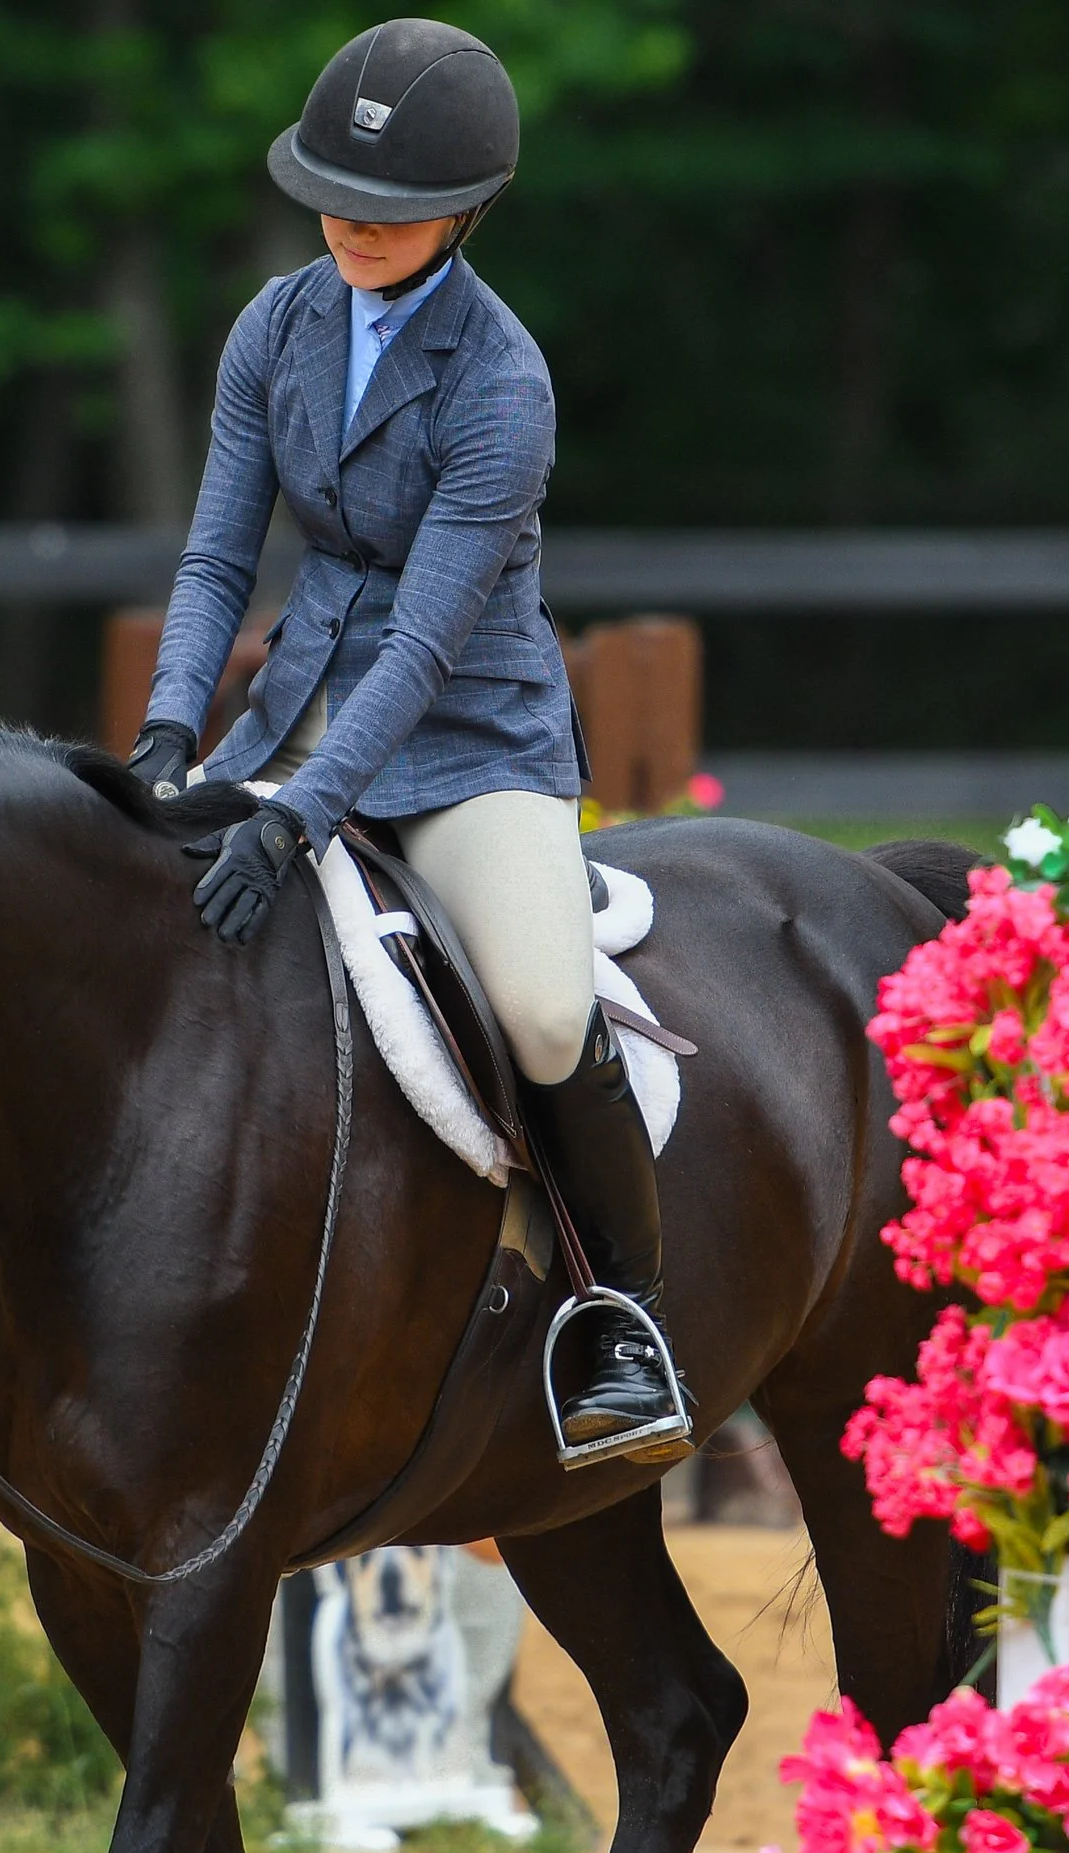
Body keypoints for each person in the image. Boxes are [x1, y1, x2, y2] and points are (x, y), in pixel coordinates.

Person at [124, 17, 683, 1460]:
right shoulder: (275, 325)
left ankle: (622, 1315)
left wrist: (297, 815)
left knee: (545, 1010)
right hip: (297, 700)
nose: (353, 225)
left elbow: (428, 641)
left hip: (468, 737)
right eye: (333, 195)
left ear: (470, 210)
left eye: (389, 206)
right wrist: (170, 733)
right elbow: (214, 561)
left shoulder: (501, 379)